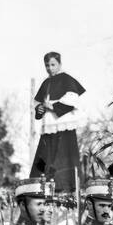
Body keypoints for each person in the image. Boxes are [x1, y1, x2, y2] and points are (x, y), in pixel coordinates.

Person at [30, 52, 85, 191]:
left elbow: (72, 100)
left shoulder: (67, 79)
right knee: (46, 155)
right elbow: (37, 103)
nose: (50, 68)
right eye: (47, 65)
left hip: (63, 124)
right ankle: (40, 186)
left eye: (53, 64)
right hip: (48, 125)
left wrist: (53, 107)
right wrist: (41, 109)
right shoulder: (46, 82)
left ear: (59, 64)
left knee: (64, 154)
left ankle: (66, 186)